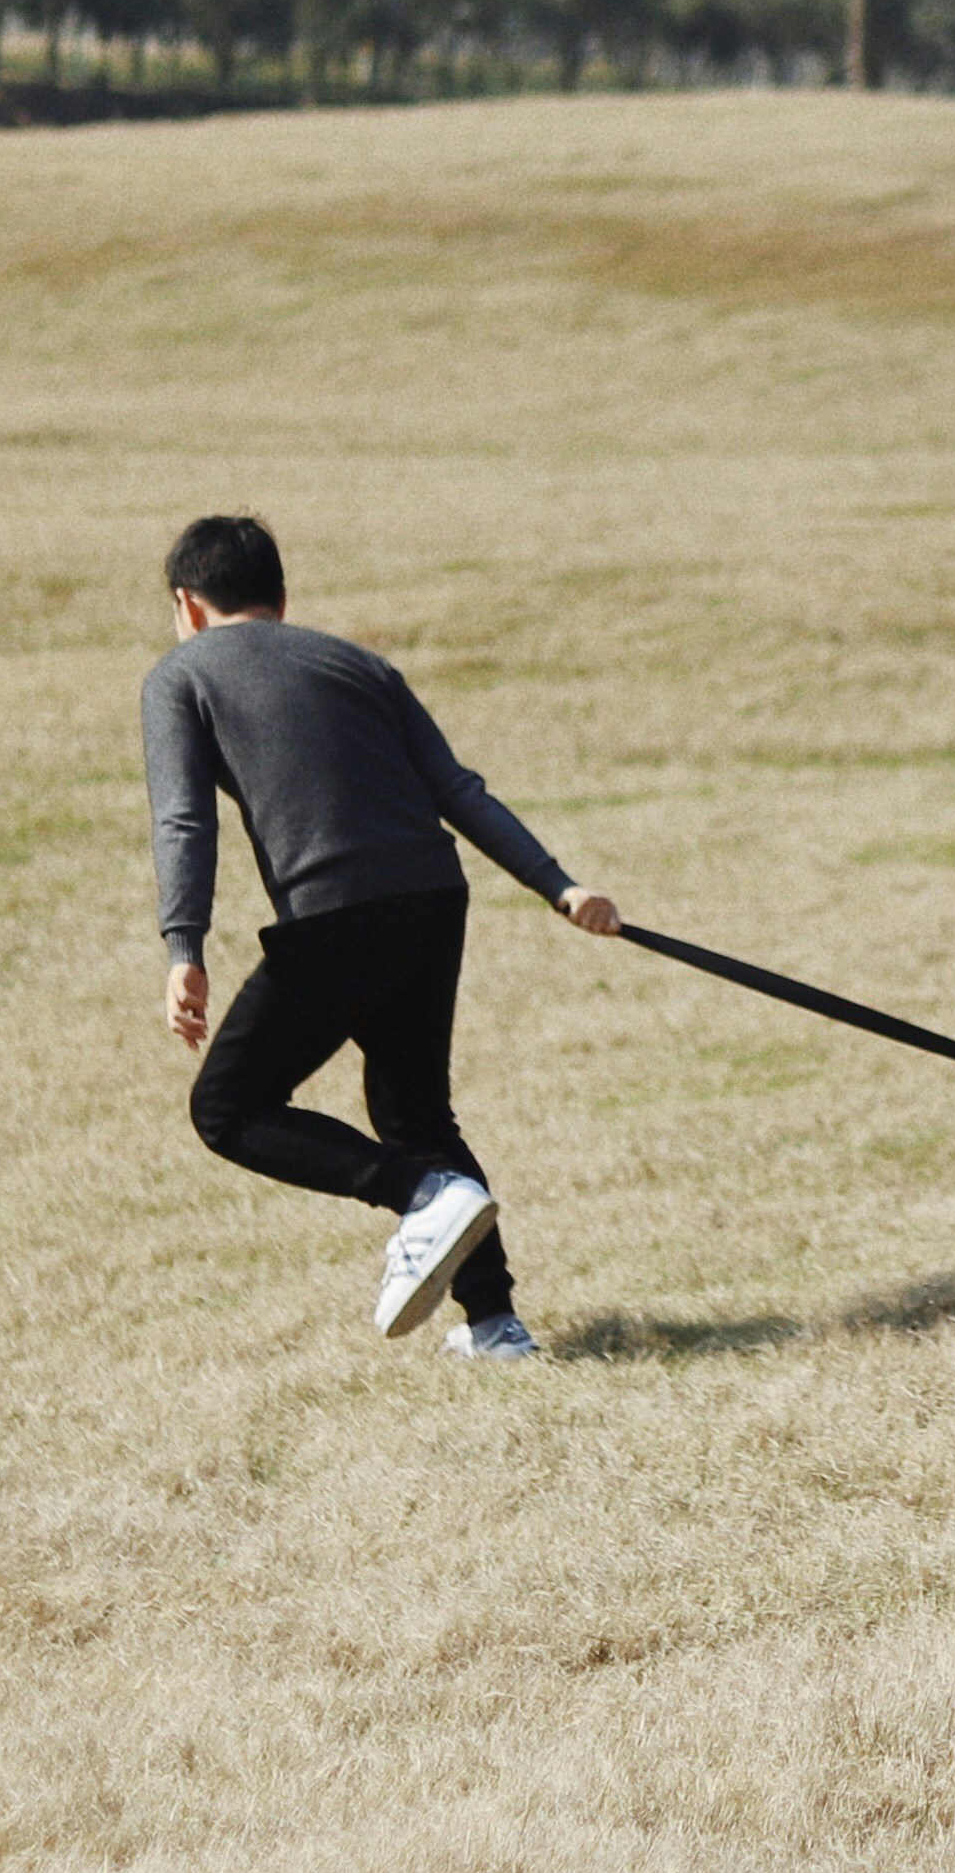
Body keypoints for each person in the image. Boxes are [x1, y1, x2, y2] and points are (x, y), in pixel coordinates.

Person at [142, 514, 618, 1358]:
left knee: (227, 1107)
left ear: (185, 602)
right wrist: (560, 885)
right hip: (433, 899)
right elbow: (457, 790)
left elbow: (184, 820)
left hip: (334, 911)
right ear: (281, 599)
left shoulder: (180, 673)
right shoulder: (359, 663)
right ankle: (496, 1326)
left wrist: (184, 947)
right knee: (414, 1107)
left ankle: (418, 1192)